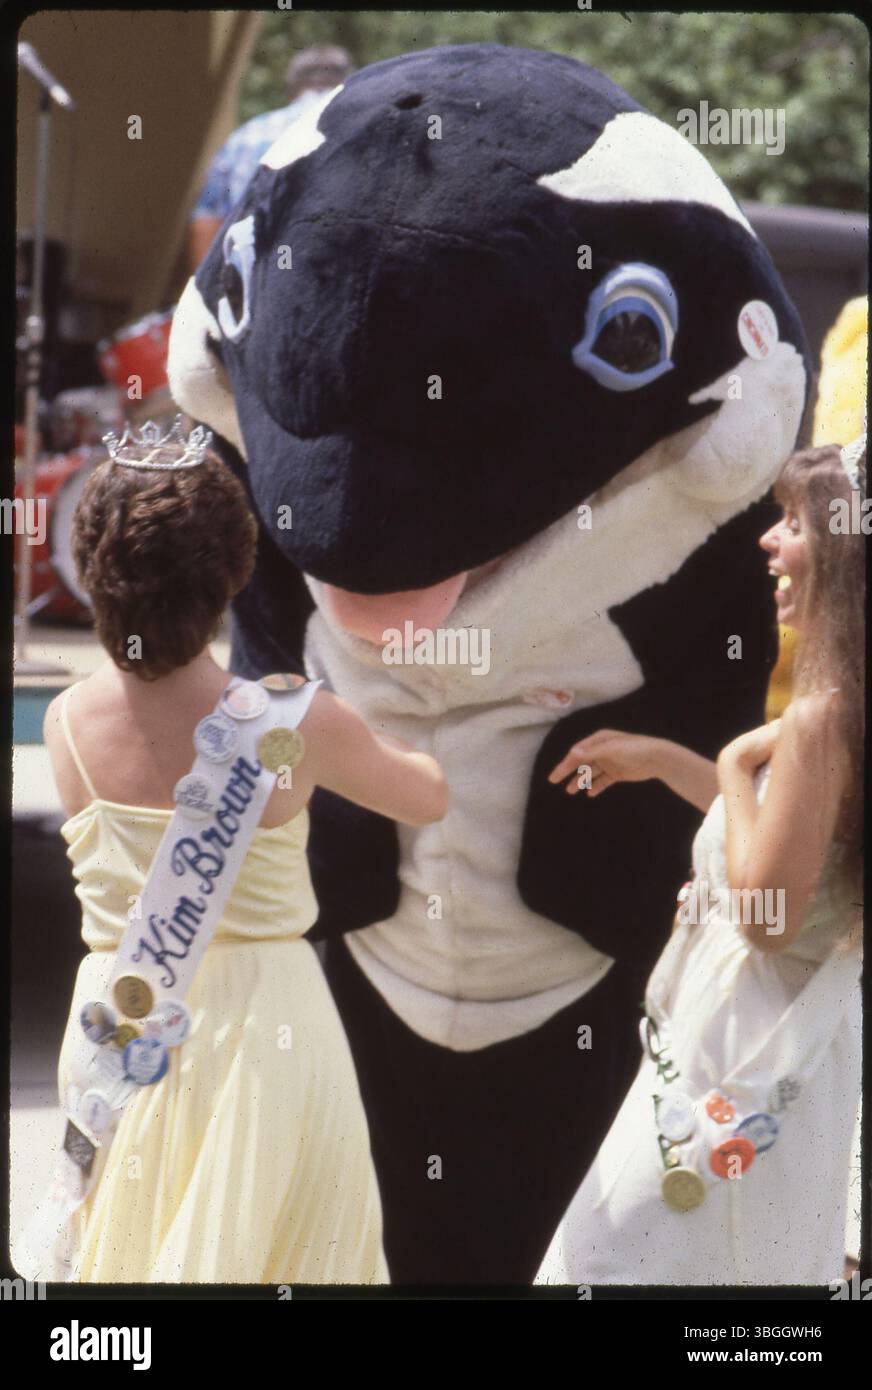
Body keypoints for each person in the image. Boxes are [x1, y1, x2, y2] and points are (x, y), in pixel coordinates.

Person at [36, 422, 446, 1283]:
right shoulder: (291, 724)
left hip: (122, 1022)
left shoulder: (63, 719)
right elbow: (427, 794)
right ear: (230, 572)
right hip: (268, 1032)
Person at [536, 439, 864, 1287]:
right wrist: (666, 761)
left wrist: (726, 764)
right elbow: (791, 849)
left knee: (612, 1268)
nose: (768, 541)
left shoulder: (822, 719)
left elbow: (766, 918)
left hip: (743, 1068)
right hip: (788, 1058)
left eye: (792, 523)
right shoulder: (843, 712)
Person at [188, 44, 353, 269]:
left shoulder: (246, 136)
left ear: (292, 87)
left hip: (246, 288)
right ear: (348, 83)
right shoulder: (357, 132)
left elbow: (207, 219)